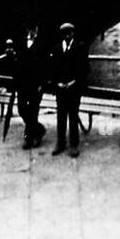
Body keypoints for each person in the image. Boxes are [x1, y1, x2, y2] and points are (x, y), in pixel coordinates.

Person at [51, 22, 87, 158]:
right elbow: (53, 69)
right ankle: (60, 143)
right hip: (61, 89)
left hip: (73, 89)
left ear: (73, 34)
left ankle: (74, 145)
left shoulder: (80, 47)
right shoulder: (57, 49)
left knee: (73, 116)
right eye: (64, 34)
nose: (67, 36)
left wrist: (73, 82)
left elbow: (84, 69)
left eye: (69, 33)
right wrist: (57, 84)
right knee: (61, 116)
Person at [12, 21, 48, 149]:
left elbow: (45, 67)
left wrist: (41, 84)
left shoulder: (42, 45)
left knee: (33, 111)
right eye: (30, 30)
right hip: (23, 84)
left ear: (37, 30)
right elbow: (17, 65)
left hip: (35, 85)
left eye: (34, 30)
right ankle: (39, 129)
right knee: (22, 109)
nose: (32, 32)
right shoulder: (21, 44)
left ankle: (31, 137)